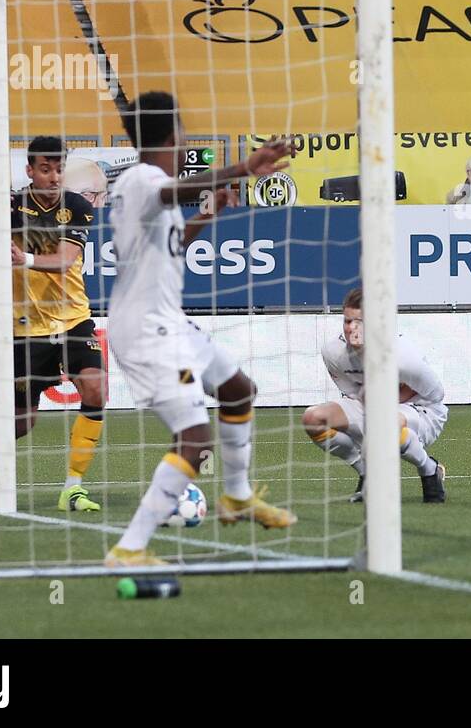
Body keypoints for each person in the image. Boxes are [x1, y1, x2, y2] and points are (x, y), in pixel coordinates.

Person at [104, 91, 295, 568]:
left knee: (237, 390)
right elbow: (173, 191)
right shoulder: (144, 178)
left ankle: (236, 496)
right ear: (176, 135)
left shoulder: (149, 187)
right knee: (194, 437)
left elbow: (173, 238)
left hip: (171, 321)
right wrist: (243, 168)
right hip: (147, 328)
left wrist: (209, 213)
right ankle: (129, 547)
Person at [0, 136, 106, 513]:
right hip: (23, 328)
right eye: (45, 169)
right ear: (30, 171)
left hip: (72, 319)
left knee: (96, 389)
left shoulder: (77, 205)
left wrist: (23, 258)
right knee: (22, 423)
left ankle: (73, 488)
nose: (54, 177)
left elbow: (65, 261)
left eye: (58, 169)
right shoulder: (12, 205)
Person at [303, 287, 448, 504]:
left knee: (383, 422)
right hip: (371, 406)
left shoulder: (402, 355)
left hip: (421, 410)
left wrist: (385, 400)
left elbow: (435, 394)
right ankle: (366, 473)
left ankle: (429, 470)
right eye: (347, 321)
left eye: (359, 322)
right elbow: (351, 393)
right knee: (313, 419)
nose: (351, 328)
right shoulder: (332, 352)